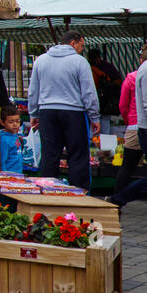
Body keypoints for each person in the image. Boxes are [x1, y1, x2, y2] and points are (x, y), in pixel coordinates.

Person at [28, 30, 99, 190]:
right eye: (81, 45)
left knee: (49, 155)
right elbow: (89, 92)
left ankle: (47, 191)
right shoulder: (79, 62)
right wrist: (94, 116)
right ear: (73, 42)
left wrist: (34, 113)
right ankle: (78, 193)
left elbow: (33, 90)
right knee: (77, 156)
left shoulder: (41, 60)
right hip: (74, 112)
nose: (82, 49)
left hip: (47, 112)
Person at [110, 44, 147, 207]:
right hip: (141, 125)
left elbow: (123, 105)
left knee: (127, 167)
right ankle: (118, 199)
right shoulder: (142, 73)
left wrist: (127, 120)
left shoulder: (132, 76)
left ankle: (117, 201)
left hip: (133, 125)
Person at [0, 105, 27, 174]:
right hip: (8, 176)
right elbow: (1, 162)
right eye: (11, 122)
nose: (15, 124)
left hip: (17, 174)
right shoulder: (3, 140)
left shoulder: (15, 135)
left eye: (17, 121)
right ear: (2, 122)